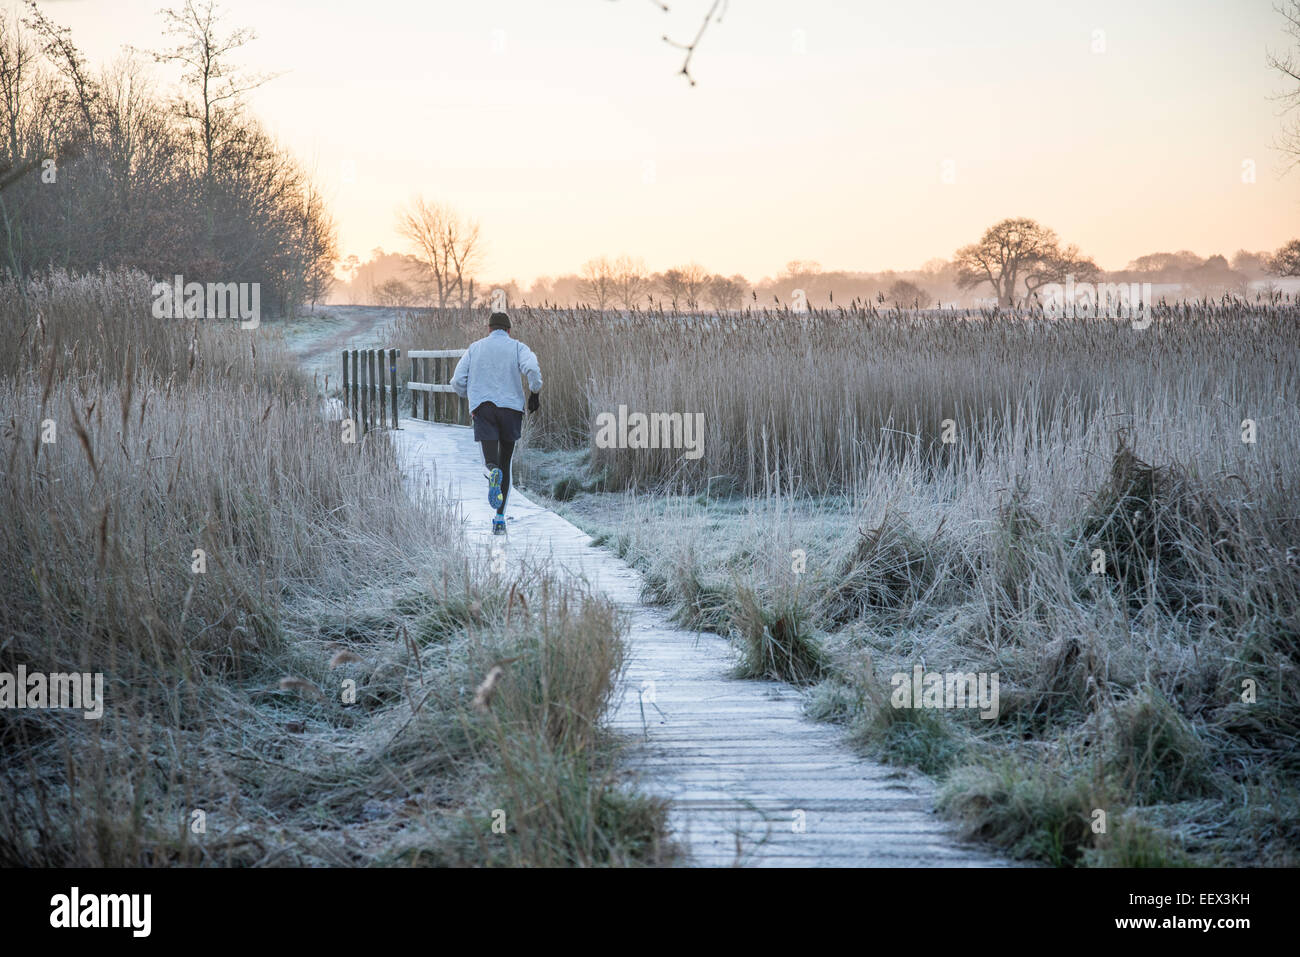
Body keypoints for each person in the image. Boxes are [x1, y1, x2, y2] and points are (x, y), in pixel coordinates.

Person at [449, 311, 542, 534]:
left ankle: (491, 473)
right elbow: (532, 369)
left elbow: (457, 381)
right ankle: (499, 518)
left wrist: (469, 395)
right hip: (511, 410)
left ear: (489, 329)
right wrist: (534, 393)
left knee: (490, 463)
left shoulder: (475, 348)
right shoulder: (518, 347)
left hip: (484, 409)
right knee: (506, 463)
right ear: (509, 330)